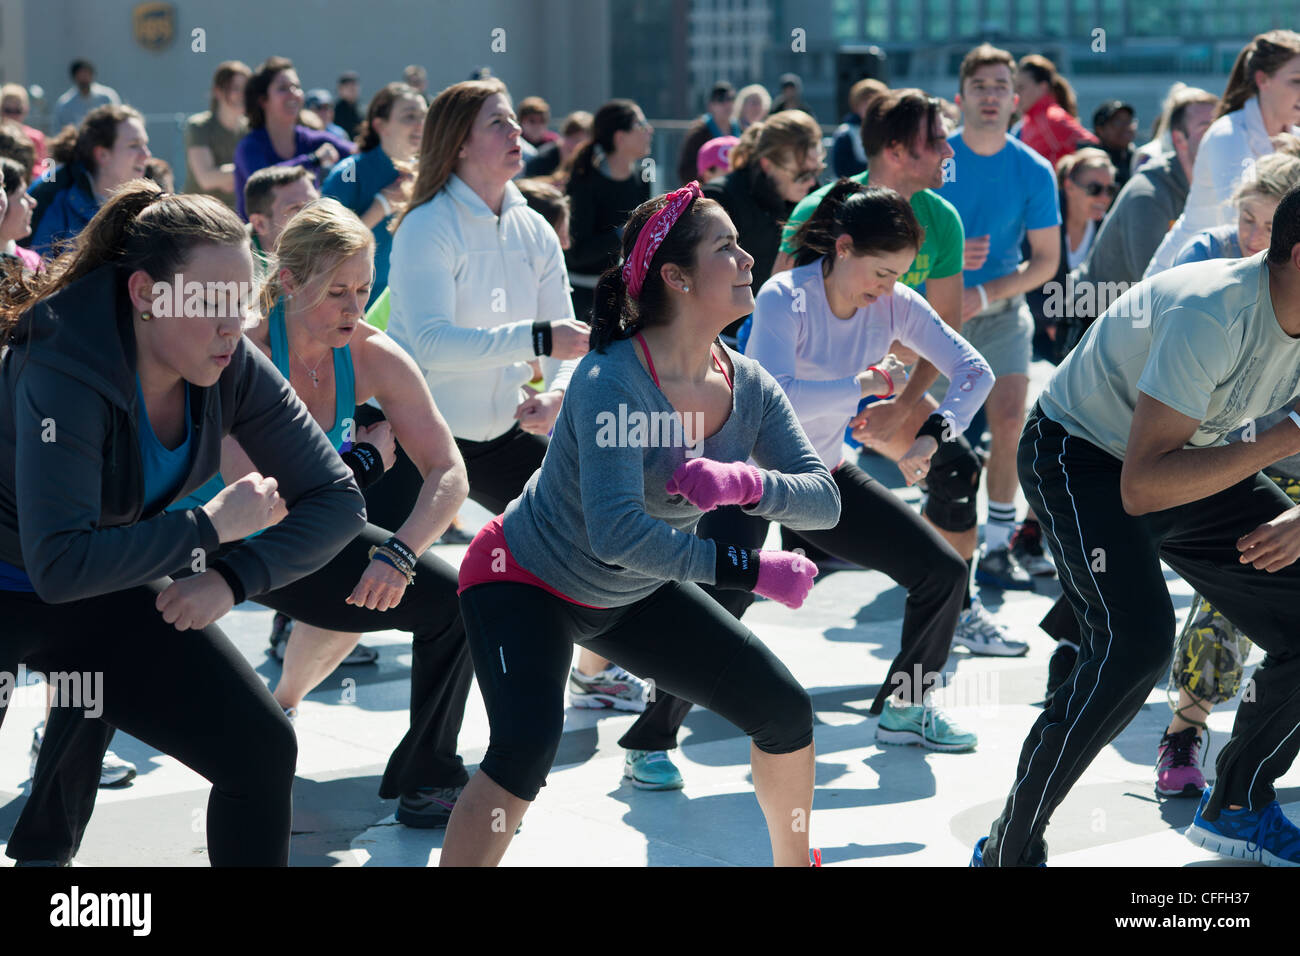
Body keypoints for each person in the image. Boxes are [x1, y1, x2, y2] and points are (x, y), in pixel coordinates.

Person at [442, 182, 841, 867]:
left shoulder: (746, 383)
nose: (749, 258)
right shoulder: (611, 381)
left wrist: (746, 483)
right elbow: (616, 532)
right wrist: (750, 569)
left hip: (630, 595)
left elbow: (823, 500)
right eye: (726, 247)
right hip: (524, 581)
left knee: (784, 712)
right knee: (524, 752)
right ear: (676, 277)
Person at [0, 182, 367, 866]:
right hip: (23, 577)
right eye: (210, 302)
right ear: (145, 294)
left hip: (101, 579)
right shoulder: (63, 362)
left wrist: (232, 579)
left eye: (242, 301)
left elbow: (338, 499)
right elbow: (58, 567)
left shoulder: (228, 360)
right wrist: (207, 529)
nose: (235, 325)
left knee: (261, 752)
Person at [973, 183, 1300, 869]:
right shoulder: (1211, 311)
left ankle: (1236, 805)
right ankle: (1010, 847)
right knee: (1134, 645)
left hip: (1192, 457)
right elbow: (1143, 487)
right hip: (1083, 456)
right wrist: (1285, 438)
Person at [147, 198, 475, 828]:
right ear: (289, 283)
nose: (354, 308)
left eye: (364, 289)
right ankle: (48, 836)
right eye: (337, 292)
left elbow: (449, 469)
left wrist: (400, 551)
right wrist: (368, 464)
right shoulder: (236, 349)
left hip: (295, 536)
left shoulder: (371, 352)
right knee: (103, 681)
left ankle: (428, 776)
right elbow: (265, 497)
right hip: (200, 537)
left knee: (456, 605)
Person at [772, 88, 1023, 654]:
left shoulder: (943, 219)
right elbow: (772, 317)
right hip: (799, 394)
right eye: (934, 141)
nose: (947, 152)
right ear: (894, 149)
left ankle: (957, 605)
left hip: (889, 385)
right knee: (738, 519)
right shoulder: (822, 210)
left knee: (955, 467)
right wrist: (858, 393)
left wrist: (906, 407)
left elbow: (949, 342)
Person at [940, 44, 1061, 592]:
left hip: (1003, 309)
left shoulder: (1034, 169)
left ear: (1015, 100)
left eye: (999, 87)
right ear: (960, 98)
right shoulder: (935, 159)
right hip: (933, 314)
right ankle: (943, 545)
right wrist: (941, 256)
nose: (990, 97)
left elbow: (1047, 261)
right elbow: (897, 237)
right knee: (946, 436)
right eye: (979, 86)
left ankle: (997, 545)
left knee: (1012, 418)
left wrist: (986, 292)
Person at [1145, 30, 1300, 278]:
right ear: (1263, 80)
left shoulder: (1296, 137)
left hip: (1241, 280)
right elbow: (1245, 228)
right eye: (1296, 80)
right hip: (1184, 276)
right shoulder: (1227, 134)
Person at [703, 110, 823, 339]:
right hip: (726, 336)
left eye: (816, 171)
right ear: (768, 165)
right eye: (802, 174)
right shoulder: (723, 197)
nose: (811, 182)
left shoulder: (812, 197)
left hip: (790, 330)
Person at [322, 82, 424, 305]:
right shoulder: (348, 174)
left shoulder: (430, 174)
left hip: (412, 305)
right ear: (380, 126)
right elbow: (322, 250)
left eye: (423, 116)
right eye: (409, 116)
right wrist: (381, 207)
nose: (420, 125)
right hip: (358, 310)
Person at [233, 56, 354, 221]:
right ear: (263, 100)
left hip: (303, 240)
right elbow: (263, 182)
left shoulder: (313, 139)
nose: (293, 94)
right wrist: (313, 160)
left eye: (296, 87)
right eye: (283, 88)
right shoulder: (249, 146)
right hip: (259, 244)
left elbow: (357, 153)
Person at [565, 99, 654, 323]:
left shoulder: (642, 176)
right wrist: (621, 235)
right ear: (620, 137)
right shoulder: (585, 182)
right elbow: (577, 251)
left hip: (622, 293)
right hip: (582, 297)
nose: (649, 130)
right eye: (640, 124)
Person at [1028, 148, 1116, 365]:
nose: (1104, 198)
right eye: (1095, 189)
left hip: (1080, 332)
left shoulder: (1107, 225)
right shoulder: (1042, 219)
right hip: (1035, 331)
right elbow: (1023, 276)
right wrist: (1051, 321)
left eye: (1110, 190)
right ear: (1069, 186)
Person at [28, 105, 150, 257]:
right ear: (102, 154)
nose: (146, 154)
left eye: (145, 144)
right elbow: (35, 271)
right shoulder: (52, 194)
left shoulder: (151, 200)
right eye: (134, 145)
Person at [183, 61, 251, 211]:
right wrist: (242, 172)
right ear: (218, 91)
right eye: (236, 88)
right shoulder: (199, 126)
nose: (243, 95)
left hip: (236, 214)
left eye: (246, 89)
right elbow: (206, 178)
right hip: (200, 213)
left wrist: (224, 174)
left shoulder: (249, 129)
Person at [1014, 55, 1098, 169]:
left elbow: (1093, 146)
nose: (1016, 94)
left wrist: (1069, 179)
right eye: (1015, 89)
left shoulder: (1052, 117)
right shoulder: (1029, 120)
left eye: (1021, 88)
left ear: (1042, 87)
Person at [244, 165, 318, 279]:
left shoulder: (337, 244)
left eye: (314, 203)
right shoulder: (234, 265)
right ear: (260, 224)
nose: (314, 216)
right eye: (295, 208)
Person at [676, 82, 742, 186]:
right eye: (721, 100)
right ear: (711, 105)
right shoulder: (699, 133)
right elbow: (685, 171)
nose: (727, 104)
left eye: (731, 99)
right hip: (708, 191)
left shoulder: (741, 130)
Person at [829, 78, 887, 179]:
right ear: (856, 105)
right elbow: (842, 170)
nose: (870, 106)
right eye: (865, 101)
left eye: (875, 101)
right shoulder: (845, 133)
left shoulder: (889, 131)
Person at [53, 59, 120, 133]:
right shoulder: (64, 104)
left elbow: (118, 122)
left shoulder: (107, 97)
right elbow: (58, 131)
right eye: (80, 74)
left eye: (86, 73)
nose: (84, 78)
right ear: (74, 77)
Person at [523, 110, 592, 181]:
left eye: (579, 140)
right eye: (571, 138)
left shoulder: (592, 161)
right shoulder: (542, 160)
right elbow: (526, 183)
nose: (574, 145)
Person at [1, 85, 48, 175]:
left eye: (18, 111)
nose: (13, 116)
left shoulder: (35, 137)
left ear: (26, 110)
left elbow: (44, 169)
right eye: (8, 110)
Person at [1092, 100, 1138, 187]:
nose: (1126, 126)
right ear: (1100, 130)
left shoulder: (1138, 158)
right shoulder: (1092, 163)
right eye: (1118, 122)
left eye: (1129, 121)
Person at [334, 71, 363, 140]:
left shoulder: (362, 111)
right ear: (340, 89)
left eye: (354, 85)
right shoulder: (333, 112)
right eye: (348, 86)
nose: (352, 89)